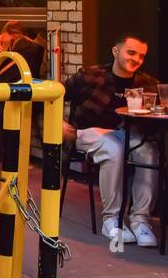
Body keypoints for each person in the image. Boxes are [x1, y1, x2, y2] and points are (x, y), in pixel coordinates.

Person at [64, 32, 161, 246]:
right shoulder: (90, 75)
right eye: (131, 52)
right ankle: (112, 220)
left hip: (126, 134)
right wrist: (59, 124)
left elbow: (158, 109)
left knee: (150, 152)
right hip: (88, 132)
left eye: (141, 56)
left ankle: (140, 219)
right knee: (114, 148)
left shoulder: (146, 82)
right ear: (116, 51)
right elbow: (57, 94)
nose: (136, 59)